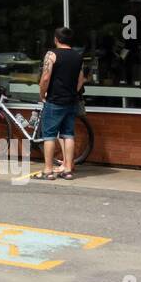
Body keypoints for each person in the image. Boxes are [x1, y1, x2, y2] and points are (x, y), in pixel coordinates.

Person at [38, 26, 85, 180]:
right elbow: (80, 80)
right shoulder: (78, 56)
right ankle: (68, 170)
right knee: (68, 135)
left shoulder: (51, 54)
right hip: (70, 101)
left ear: (56, 39)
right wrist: (73, 92)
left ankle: (48, 170)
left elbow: (45, 78)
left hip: (54, 100)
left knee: (49, 136)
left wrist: (42, 94)